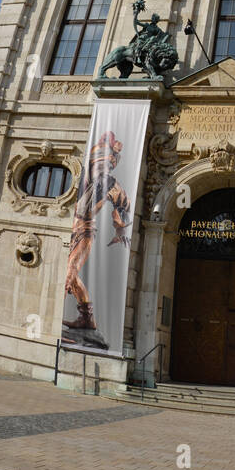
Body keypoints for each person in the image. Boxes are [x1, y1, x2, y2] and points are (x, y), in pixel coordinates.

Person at [62, 131, 133, 346]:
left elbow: (125, 208)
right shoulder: (83, 175)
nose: (105, 169)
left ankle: (56, 323)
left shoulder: (112, 184)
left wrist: (119, 227)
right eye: (101, 165)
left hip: (85, 231)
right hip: (72, 228)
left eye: (109, 166)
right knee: (73, 278)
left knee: (69, 273)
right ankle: (87, 318)